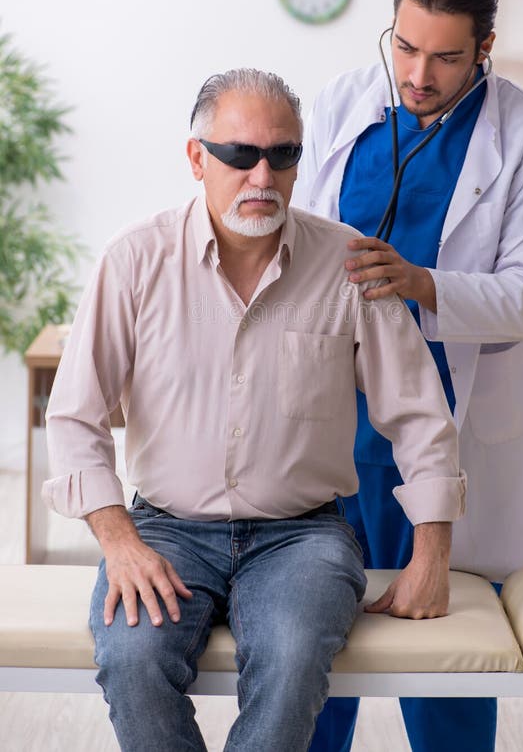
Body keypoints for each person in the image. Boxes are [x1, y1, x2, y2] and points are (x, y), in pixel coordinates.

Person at [42, 68, 466, 752]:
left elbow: (419, 415)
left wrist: (431, 554)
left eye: (283, 154)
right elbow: (72, 417)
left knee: (294, 658)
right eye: (239, 154)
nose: (261, 175)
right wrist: (120, 544)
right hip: (164, 531)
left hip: (302, 537)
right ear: (197, 159)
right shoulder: (133, 261)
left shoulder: (349, 264)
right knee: (132, 660)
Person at [293, 0, 523, 752]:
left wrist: (422, 283)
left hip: (447, 430)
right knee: (309, 654)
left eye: (445, 57)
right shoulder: (342, 105)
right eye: (405, 47)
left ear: (484, 48)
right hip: (326, 429)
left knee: (448, 663)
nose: (417, 74)